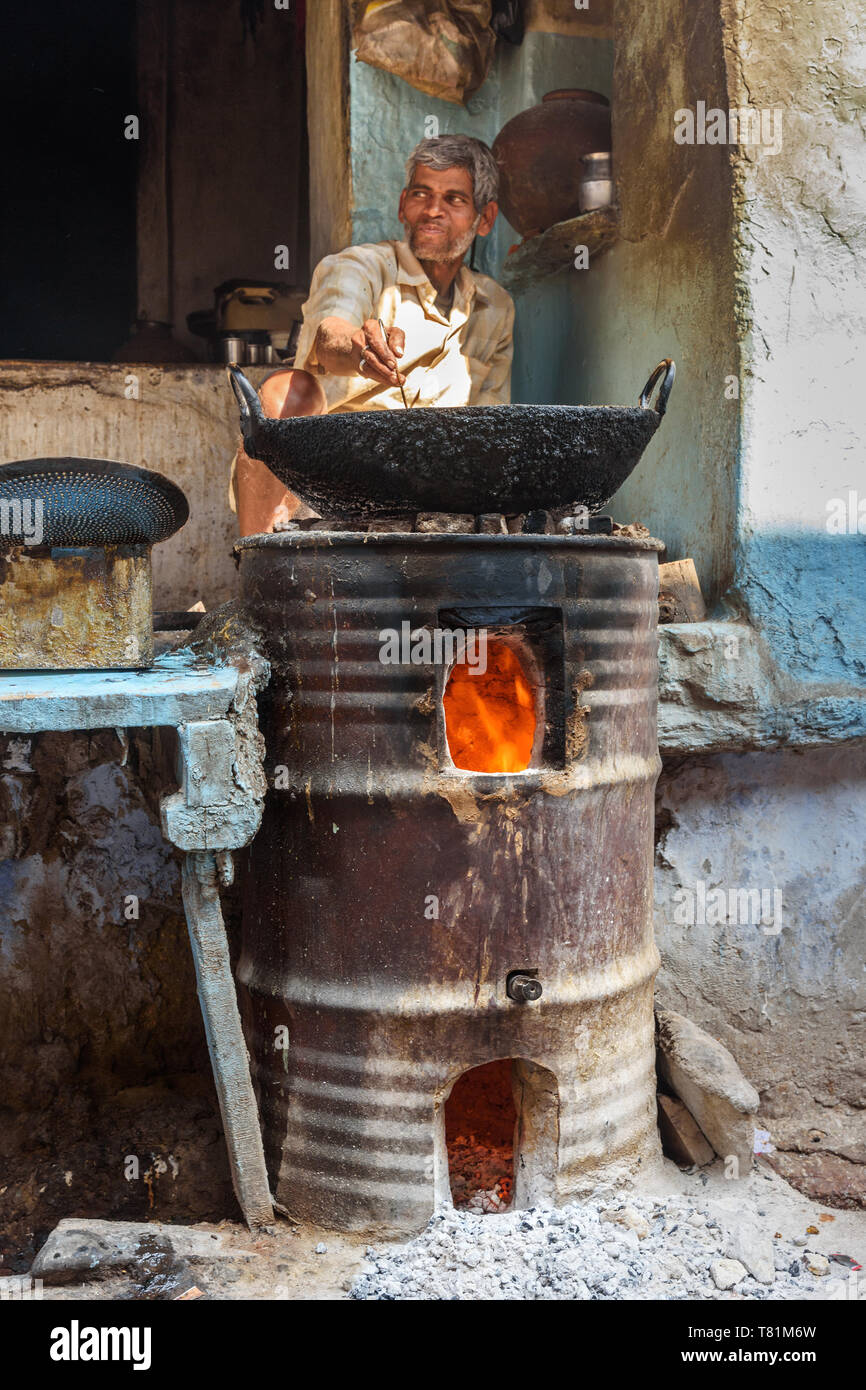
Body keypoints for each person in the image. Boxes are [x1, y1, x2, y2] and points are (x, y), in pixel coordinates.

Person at [230, 134, 515, 536]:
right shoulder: (358, 267)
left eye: (454, 199)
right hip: (331, 483)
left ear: (484, 218)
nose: (433, 210)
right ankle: (262, 565)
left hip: (433, 493)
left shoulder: (496, 306)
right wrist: (358, 350)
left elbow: (491, 425)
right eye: (421, 193)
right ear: (403, 205)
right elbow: (331, 332)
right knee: (286, 391)